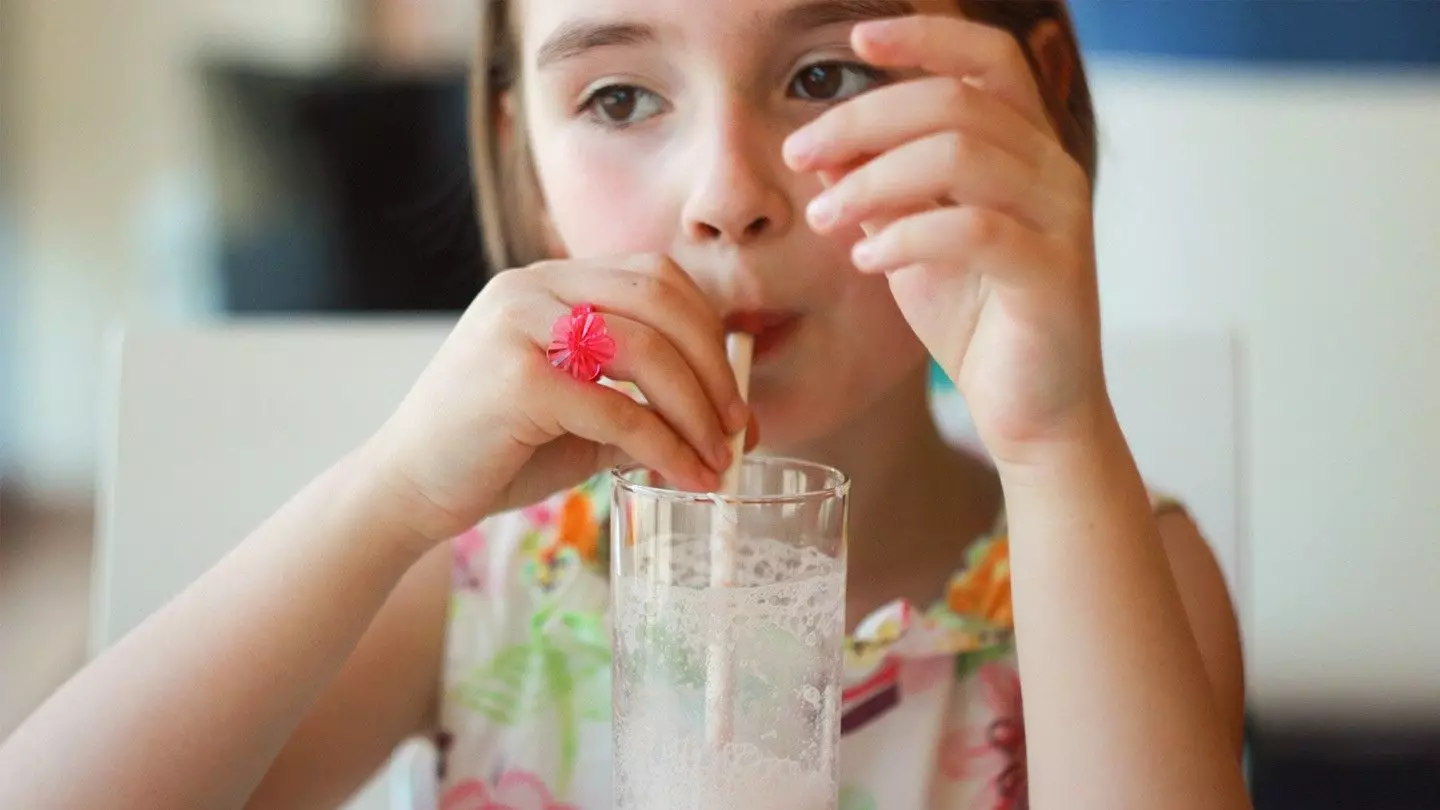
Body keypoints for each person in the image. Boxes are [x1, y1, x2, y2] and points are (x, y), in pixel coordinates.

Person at [0, 0, 1251, 807]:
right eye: (618, 98)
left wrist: (1053, 438)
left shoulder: (1117, 574)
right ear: (526, 159)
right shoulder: (482, 580)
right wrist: (385, 500)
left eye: (821, 78)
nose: (726, 195)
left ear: (1020, 113)